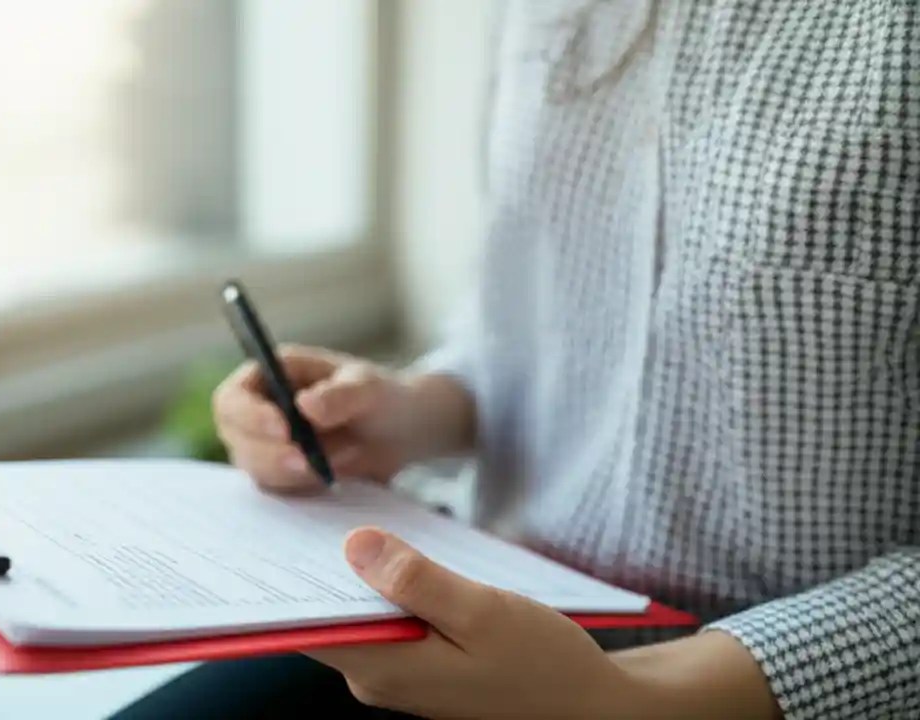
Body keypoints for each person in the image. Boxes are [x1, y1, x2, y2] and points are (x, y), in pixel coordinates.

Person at [115, 1, 918, 718]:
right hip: (482, 619)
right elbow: (521, 320)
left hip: (757, 685)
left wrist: (646, 698)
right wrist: (414, 410)